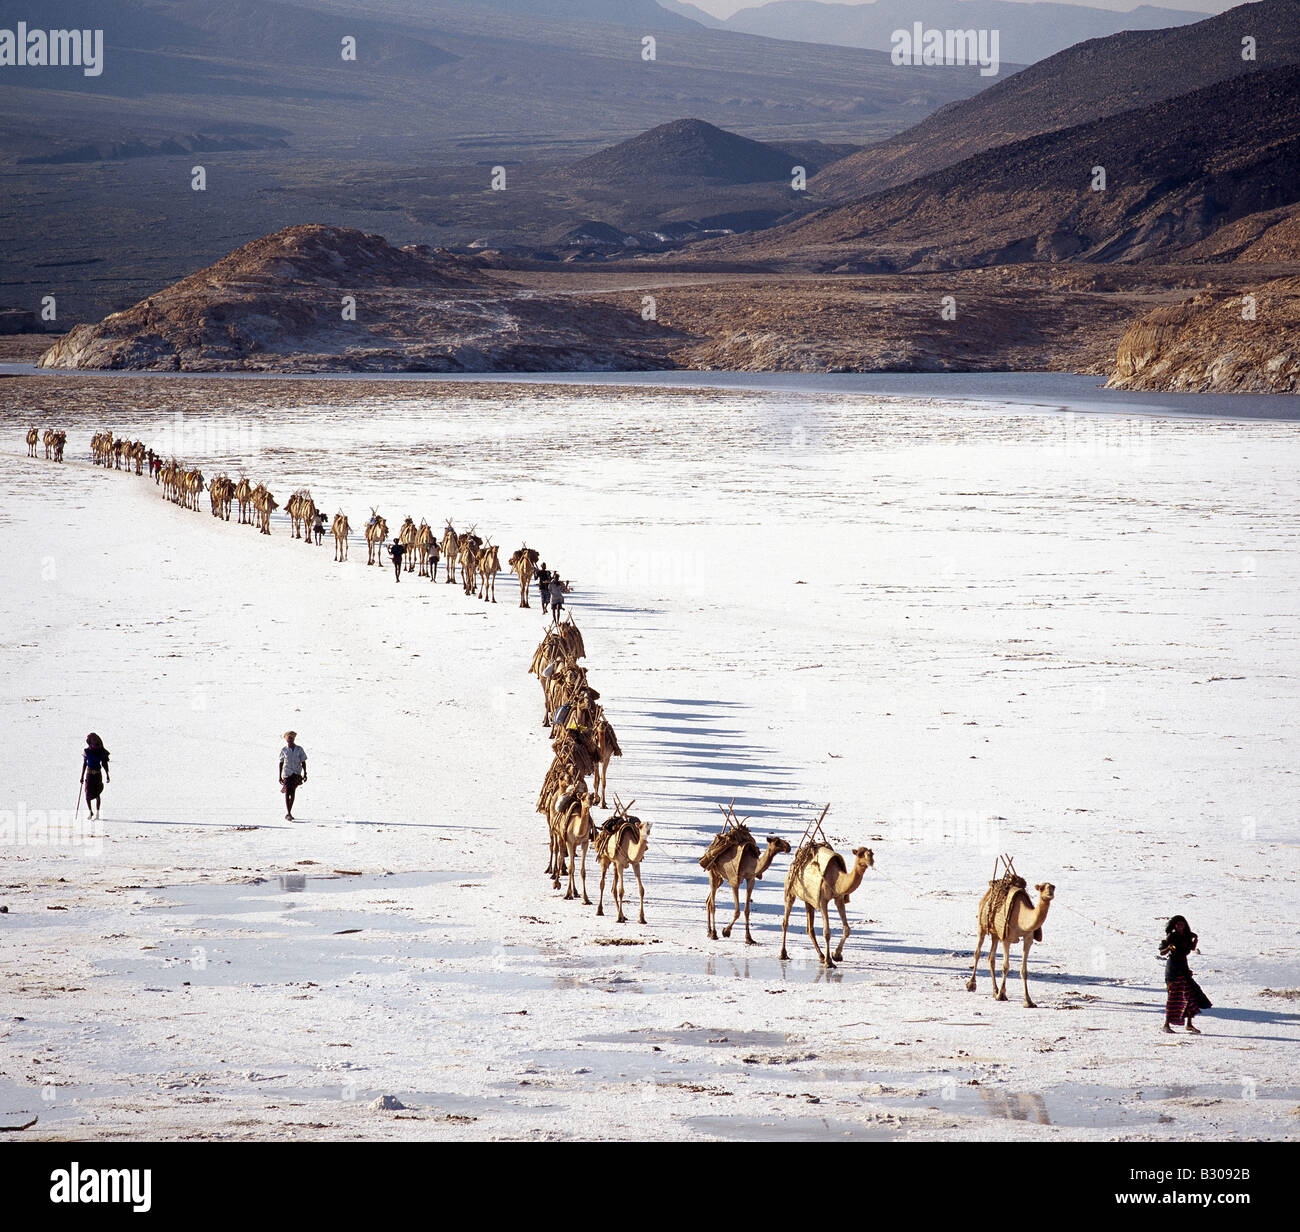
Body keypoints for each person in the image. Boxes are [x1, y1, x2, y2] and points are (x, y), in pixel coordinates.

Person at [1160, 915, 1211, 1033]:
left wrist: (1195, 939)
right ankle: (1166, 1024)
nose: (1180, 927)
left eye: (1182, 925)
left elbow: (1190, 949)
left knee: (1189, 995)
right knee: (1173, 995)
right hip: (1173, 968)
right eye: (1178, 925)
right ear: (1174, 926)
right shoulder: (1171, 936)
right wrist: (1169, 947)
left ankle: (1189, 1024)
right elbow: (1162, 952)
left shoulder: (1187, 936)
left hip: (1183, 966)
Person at [80, 732, 110, 820]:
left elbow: (104, 764)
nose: (93, 742)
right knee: (87, 795)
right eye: (92, 740)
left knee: (97, 794)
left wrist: (107, 774)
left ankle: (97, 813)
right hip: (89, 774)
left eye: (94, 740)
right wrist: (81, 776)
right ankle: (90, 812)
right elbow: (84, 764)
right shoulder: (86, 751)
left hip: (97, 774)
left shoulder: (100, 751)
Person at [279, 730, 307, 821]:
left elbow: (303, 761)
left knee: (292, 792)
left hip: (296, 773)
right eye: (288, 738)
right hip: (287, 773)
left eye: (291, 738)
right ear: (286, 739)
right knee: (287, 793)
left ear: (294, 738)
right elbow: (281, 763)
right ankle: (289, 813)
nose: (290, 739)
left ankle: (289, 812)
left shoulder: (299, 749)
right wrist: (279, 776)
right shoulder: (284, 750)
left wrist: (305, 773)